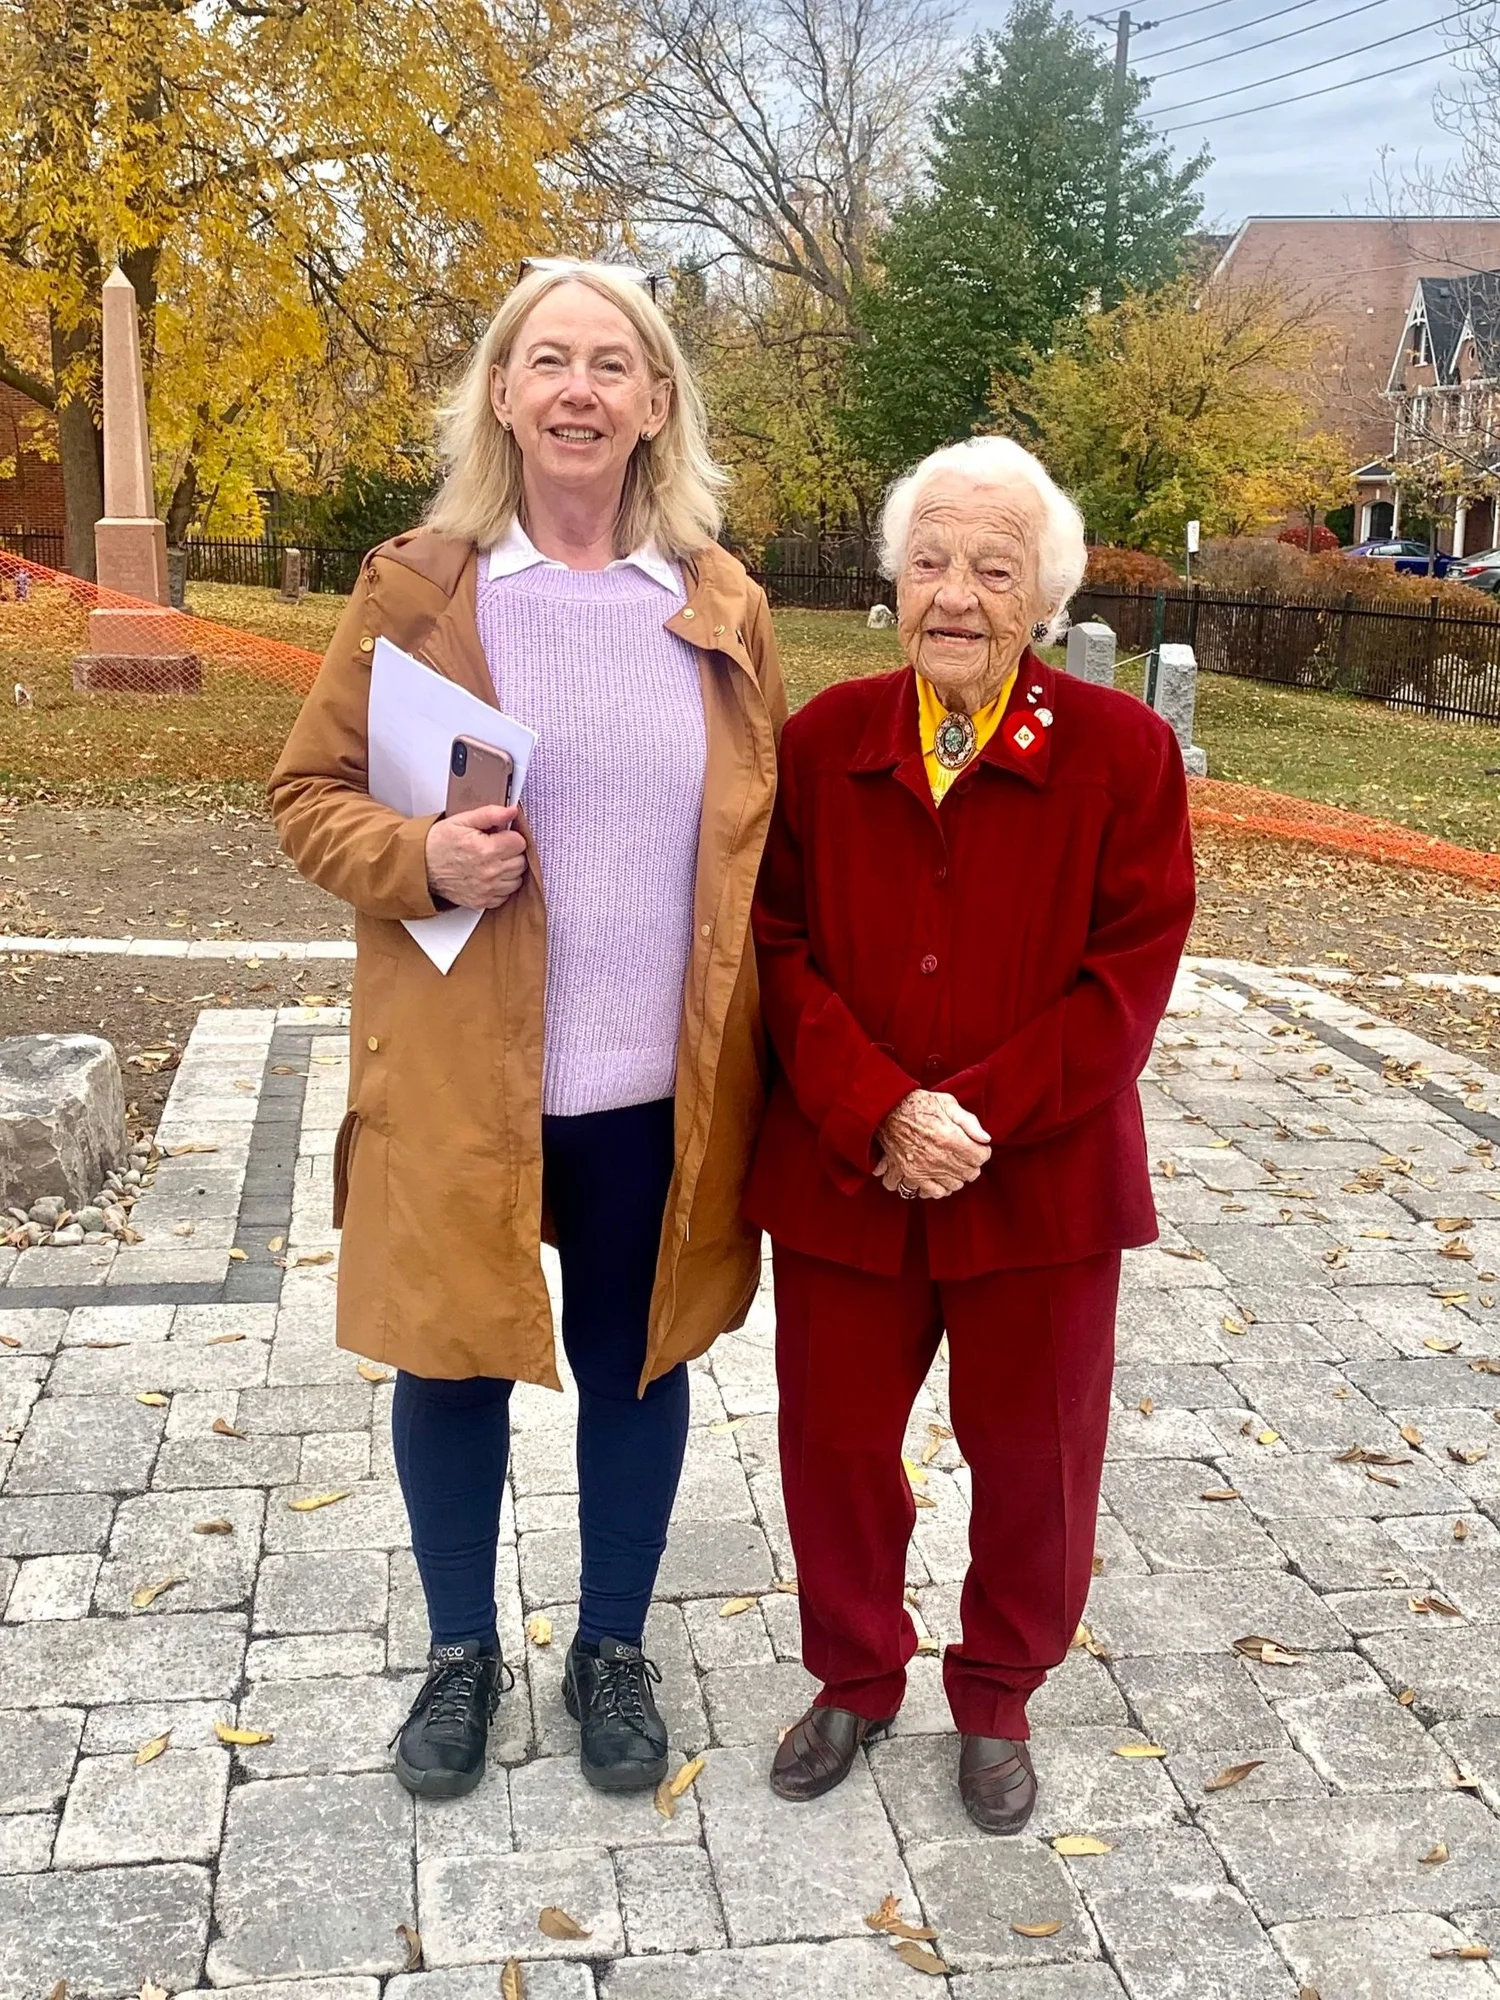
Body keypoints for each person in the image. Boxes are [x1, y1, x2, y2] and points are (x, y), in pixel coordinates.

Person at [270, 261, 785, 1800]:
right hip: (462, 1077)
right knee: (451, 1361)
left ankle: (610, 1644)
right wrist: (419, 857)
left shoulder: (719, 607)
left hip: (651, 1086)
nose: (578, 388)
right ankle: (459, 1653)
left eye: (611, 364)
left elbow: (765, 844)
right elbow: (306, 797)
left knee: (638, 1361)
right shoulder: (420, 589)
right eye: (546, 359)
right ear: (501, 394)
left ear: (655, 403)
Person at [744, 435, 1194, 1832]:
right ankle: (855, 1675)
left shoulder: (1123, 754)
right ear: (892, 581)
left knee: (1039, 1461)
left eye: (994, 570)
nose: (955, 594)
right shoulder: (827, 741)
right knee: (834, 1449)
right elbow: (775, 946)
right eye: (929, 561)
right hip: (848, 1173)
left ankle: (998, 1691)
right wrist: (880, 1108)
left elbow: (1127, 980)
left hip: (1040, 1188)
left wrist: (970, 1117)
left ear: (1045, 597)